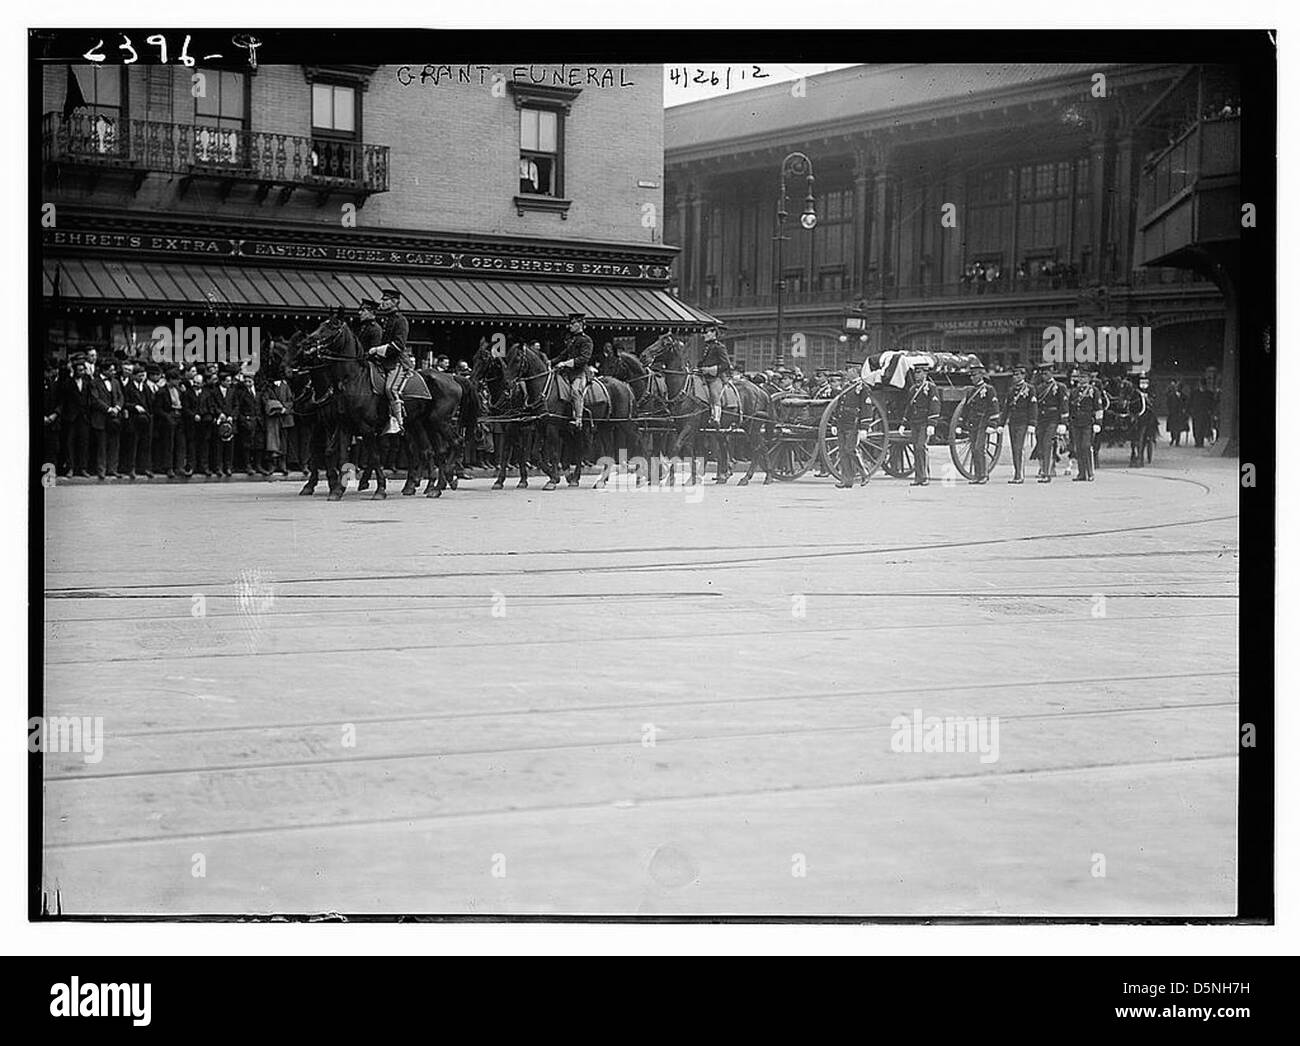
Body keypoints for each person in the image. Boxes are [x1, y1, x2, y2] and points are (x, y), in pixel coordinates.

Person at [368, 288, 413, 434]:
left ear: (394, 302)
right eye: (383, 299)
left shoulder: (401, 321)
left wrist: (377, 350)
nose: (383, 302)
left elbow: (398, 345)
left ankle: (398, 424)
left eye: (386, 300)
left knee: (390, 389)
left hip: (398, 362)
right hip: (384, 362)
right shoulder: (386, 319)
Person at [958, 361, 1000, 484]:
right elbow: (965, 408)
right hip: (973, 423)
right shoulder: (971, 391)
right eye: (971, 375)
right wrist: (961, 423)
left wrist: (992, 424)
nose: (972, 378)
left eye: (974, 375)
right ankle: (977, 475)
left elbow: (994, 407)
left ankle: (984, 475)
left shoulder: (989, 389)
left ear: (981, 375)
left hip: (983, 422)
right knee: (973, 449)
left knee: (979, 448)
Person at [901, 360, 940, 486]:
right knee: (916, 449)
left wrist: (932, 423)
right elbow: (908, 407)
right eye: (916, 373)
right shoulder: (913, 389)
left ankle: (925, 476)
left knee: (921, 447)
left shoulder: (931, 388)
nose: (917, 375)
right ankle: (918, 477)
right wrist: (903, 423)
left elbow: (935, 405)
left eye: (919, 372)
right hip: (915, 422)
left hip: (924, 421)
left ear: (925, 373)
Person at [1000, 363, 1038, 484]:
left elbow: (1033, 407)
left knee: (1019, 448)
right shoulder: (1011, 390)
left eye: (1017, 375)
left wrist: (1032, 423)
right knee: (1014, 449)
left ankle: (1019, 475)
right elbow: (1006, 407)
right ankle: (1016, 473)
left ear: (1023, 375)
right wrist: (1001, 423)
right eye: (1014, 375)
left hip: (1024, 421)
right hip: (1013, 422)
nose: (1015, 377)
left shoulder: (1030, 389)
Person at [554, 311, 594, 428]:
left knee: (575, 391)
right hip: (568, 373)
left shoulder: (586, 340)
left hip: (580, 373)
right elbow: (563, 355)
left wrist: (565, 363)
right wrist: (550, 362)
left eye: (573, 324)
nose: (570, 326)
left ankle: (578, 419)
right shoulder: (572, 340)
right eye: (570, 324)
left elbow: (583, 359)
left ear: (580, 325)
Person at [88, 359, 125, 479]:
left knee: (115, 444)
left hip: (114, 418)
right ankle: (101, 470)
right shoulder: (94, 382)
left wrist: (118, 408)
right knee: (102, 445)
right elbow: (95, 399)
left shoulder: (116, 382)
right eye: (111, 370)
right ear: (104, 370)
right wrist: (108, 409)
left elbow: (120, 396)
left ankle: (112, 469)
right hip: (101, 417)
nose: (113, 372)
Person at [1067, 367, 1104, 482]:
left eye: (1084, 377)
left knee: (1086, 446)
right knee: (1078, 448)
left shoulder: (1094, 391)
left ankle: (1090, 472)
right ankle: (1081, 473)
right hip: (1076, 422)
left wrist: (1098, 422)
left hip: (1088, 422)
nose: (1081, 379)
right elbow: (1070, 407)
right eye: (1080, 377)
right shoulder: (1074, 392)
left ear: (1088, 378)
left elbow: (1098, 408)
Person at [121, 362, 155, 479]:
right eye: (140, 376)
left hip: (146, 420)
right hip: (134, 420)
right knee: (133, 445)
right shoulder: (128, 388)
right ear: (134, 376)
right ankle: (131, 468)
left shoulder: (145, 387)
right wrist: (134, 407)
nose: (142, 378)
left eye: (143, 375)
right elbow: (124, 402)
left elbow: (151, 402)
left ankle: (144, 467)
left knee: (145, 444)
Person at [1034, 366, 1068, 482]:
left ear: (1052, 373)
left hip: (1053, 419)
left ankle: (1047, 473)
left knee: (1047, 443)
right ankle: (1044, 469)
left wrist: (1063, 423)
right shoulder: (1039, 388)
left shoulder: (1059, 387)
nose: (1045, 376)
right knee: (1041, 445)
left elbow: (1064, 405)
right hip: (1041, 419)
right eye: (1043, 374)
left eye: (1047, 373)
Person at [834, 378, 867, 489]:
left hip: (853, 422)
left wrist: (864, 427)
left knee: (850, 448)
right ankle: (847, 480)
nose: (848, 373)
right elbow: (839, 405)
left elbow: (866, 407)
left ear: (855, 371)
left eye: (850, 370)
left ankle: (864, 473)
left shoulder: (862, 387)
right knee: (843, 451)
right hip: (842, 421)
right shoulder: (846, 386)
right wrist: (834, 422)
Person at [697, 324, 731, 424]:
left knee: (714, 393)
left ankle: (716, 417)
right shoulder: (706, 347)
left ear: (714, 333)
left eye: (706, 332)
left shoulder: (720, 347)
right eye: (703, 333)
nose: (704, 335)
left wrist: (709, 370)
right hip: (702, 377)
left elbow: (726, 364)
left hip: (715, 377)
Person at [1190, 379, 1215, 447]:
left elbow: (1212, 404)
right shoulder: (1194, 393)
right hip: (1196, 413)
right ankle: (1197, 441)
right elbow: (1190, 403)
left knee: (1203, 428)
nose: (1202, 386)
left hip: (1205, 414)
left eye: (1203, 385)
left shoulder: (1209, 394)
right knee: (1196, 428)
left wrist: (1211, 411)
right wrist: (1191, 411)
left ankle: (1201, 442)